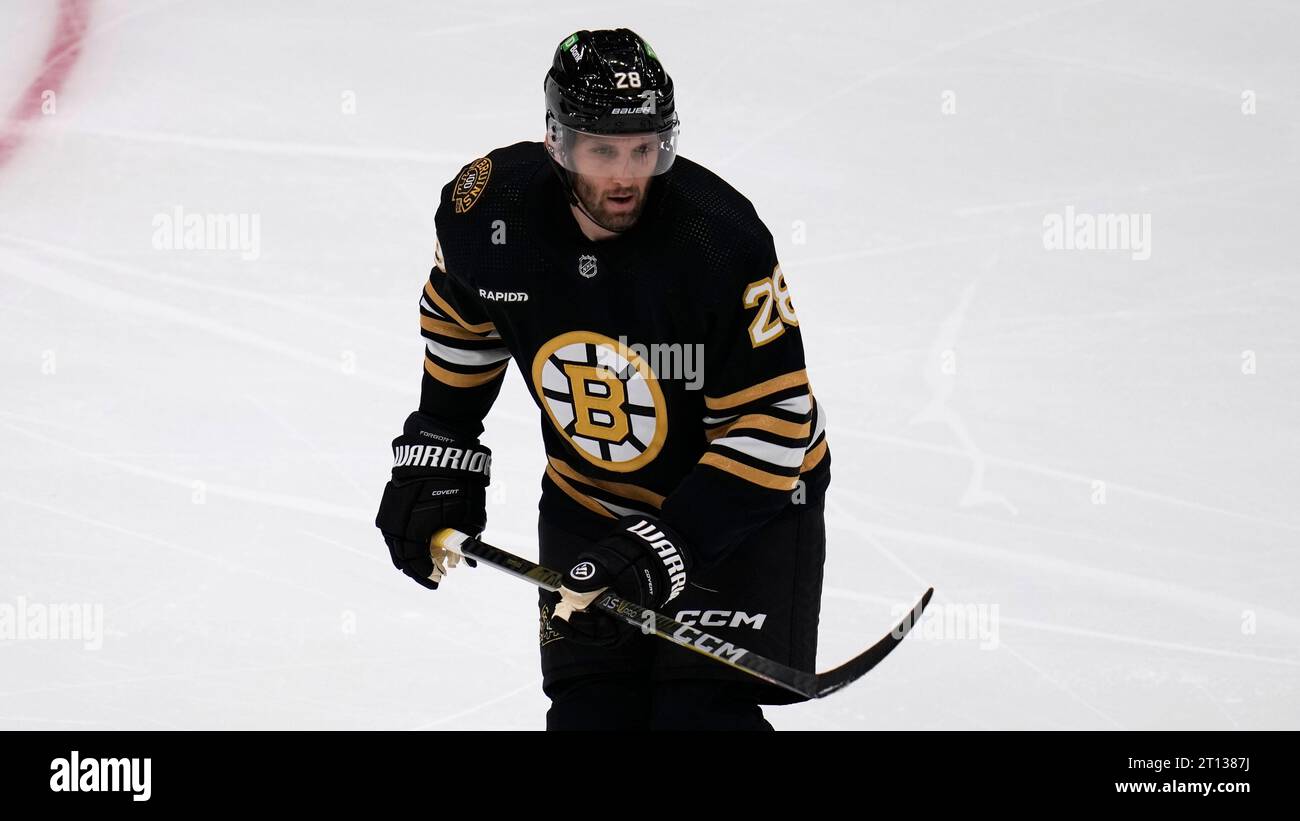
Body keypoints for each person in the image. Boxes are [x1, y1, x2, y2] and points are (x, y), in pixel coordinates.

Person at [375, 28, 831, 731]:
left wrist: (667, 544)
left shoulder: (719, 240)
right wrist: (443, 442)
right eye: (603, 151)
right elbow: (465, 321)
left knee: (699, 718)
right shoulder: (487, 210)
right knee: (592, 719)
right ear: (558, 144)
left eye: (643, 149)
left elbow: (774, 427)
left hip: (744, 509)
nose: (625, 176)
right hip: (588, 500)